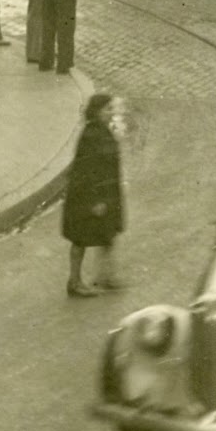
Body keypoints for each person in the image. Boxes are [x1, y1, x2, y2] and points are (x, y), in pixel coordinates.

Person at [61, 94, 127, 298]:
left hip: (106, 195)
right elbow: (86, 171)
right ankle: (74, 282)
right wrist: (95, 201)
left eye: (111, 109)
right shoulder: (91, 135)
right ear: (97, 111)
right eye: (107, 109)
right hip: (88, 196)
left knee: (108, 234)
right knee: (80, 238)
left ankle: (106, 276)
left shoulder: (103, 130)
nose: (112, 113)